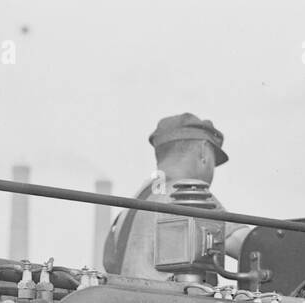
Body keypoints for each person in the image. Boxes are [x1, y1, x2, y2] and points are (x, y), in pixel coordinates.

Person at [102, 113, 247, 278]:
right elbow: (252, 248)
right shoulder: (190, 195)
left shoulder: (134, 204)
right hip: (164, 302)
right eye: (214, 161)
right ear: (203, 152)